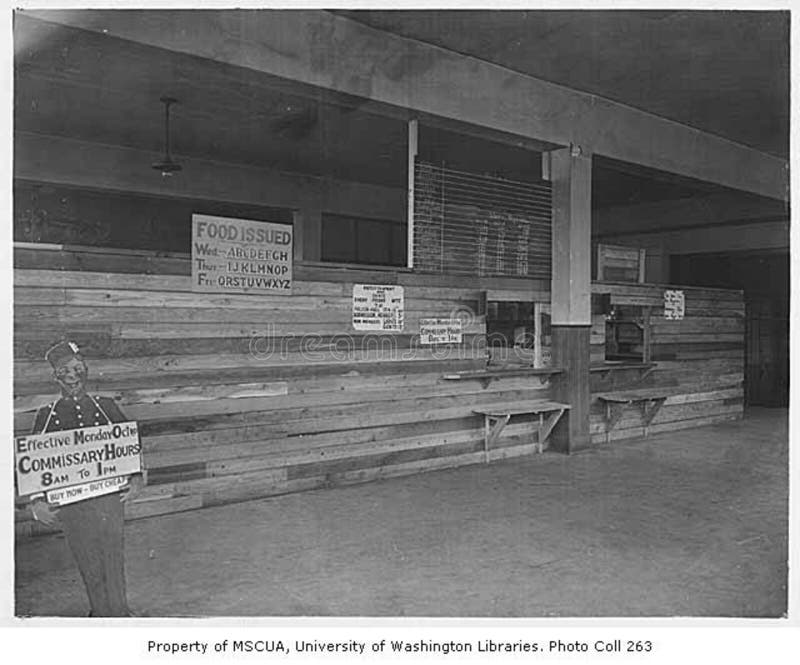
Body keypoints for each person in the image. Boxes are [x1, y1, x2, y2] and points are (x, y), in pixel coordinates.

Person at [26, 340, 144, 617]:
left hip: (108, 498)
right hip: (71, 504)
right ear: (56, 375)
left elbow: (130, 443)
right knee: (87, 558)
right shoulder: (47, 415)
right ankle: (100, 614)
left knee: (112, 556)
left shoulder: (105, 406)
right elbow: (32, 459)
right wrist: (36, 501)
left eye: (78, 368)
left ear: (86, 370)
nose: (73, 375)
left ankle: (120, 613)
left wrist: (137, 477)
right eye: (65, 369)